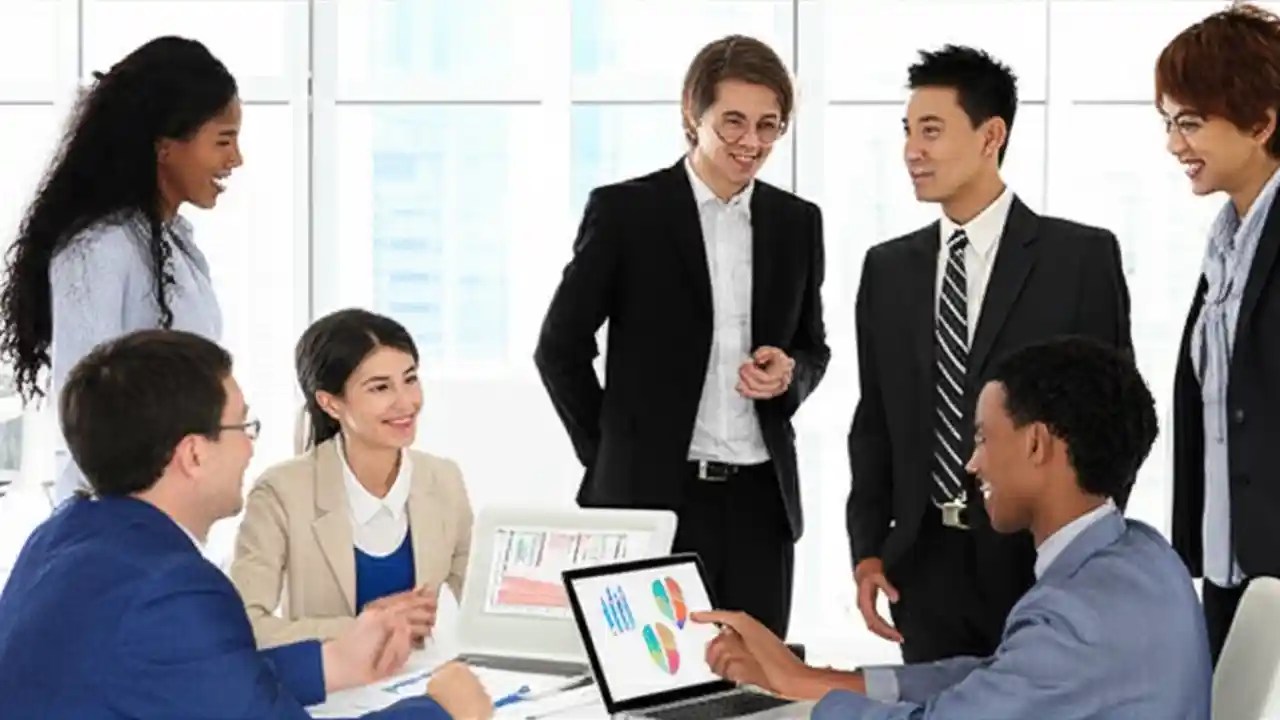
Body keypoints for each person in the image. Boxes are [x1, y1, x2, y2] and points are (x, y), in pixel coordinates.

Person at [697, 337, 1211, 719]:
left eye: (984, 438)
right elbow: (988, 678)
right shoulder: (1144, 555)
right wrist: (804, 677)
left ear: (1035, 445)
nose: (972, 463)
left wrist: (796, 702)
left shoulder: (1074, 619)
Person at [0, 329, 492, 719]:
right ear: (193, 453)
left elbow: (194, 673)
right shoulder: (172, 586)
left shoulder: (60, 537)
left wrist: (331, 663)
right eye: (242, 426)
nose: (250, 447)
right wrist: (446, 711)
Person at [534, 34, 828, 640]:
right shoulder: (625, 213)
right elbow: (559, 347)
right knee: (655, 684)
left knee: (756, 688)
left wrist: (790, 372)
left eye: (769, 126)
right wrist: (610, 453)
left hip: (759, 502)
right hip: (653, 500)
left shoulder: (797, 223)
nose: (752, 142)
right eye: (734, 123)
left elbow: (813, 346)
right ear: (693, 118)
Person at [847, 45, 1132, 663]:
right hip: (921, 574)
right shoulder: (887, 270)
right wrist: (868, 549)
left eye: (931, 130)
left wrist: (1085, 557)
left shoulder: (1078, 259)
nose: (911, 150)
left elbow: (1116, 422)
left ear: (990, 136)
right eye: (907, 131)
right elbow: (875, 422)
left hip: (1039, 567)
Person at [0, 36, 239, 505]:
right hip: (114, 516)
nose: (235, 159)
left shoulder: (178, 243)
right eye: (223, 141)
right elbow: (85, 408)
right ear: (165, 146)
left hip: (166, 506)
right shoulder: (99, 249)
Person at [231, 309, 473, 649]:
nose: (406, 402)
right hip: (333, 694)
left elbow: (479, 610)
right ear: (330, 403)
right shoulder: (281, 493)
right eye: (380, 388)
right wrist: (365, 627)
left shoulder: (444, 480)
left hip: (426, 682)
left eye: (410, 379)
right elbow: (243, 624)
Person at [1159, 3, 1280, 666]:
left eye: (1191, 123)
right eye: (1170, 123)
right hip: (1228, 569)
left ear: (1262, 122)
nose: (1175, 144)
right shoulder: (1225, 246)